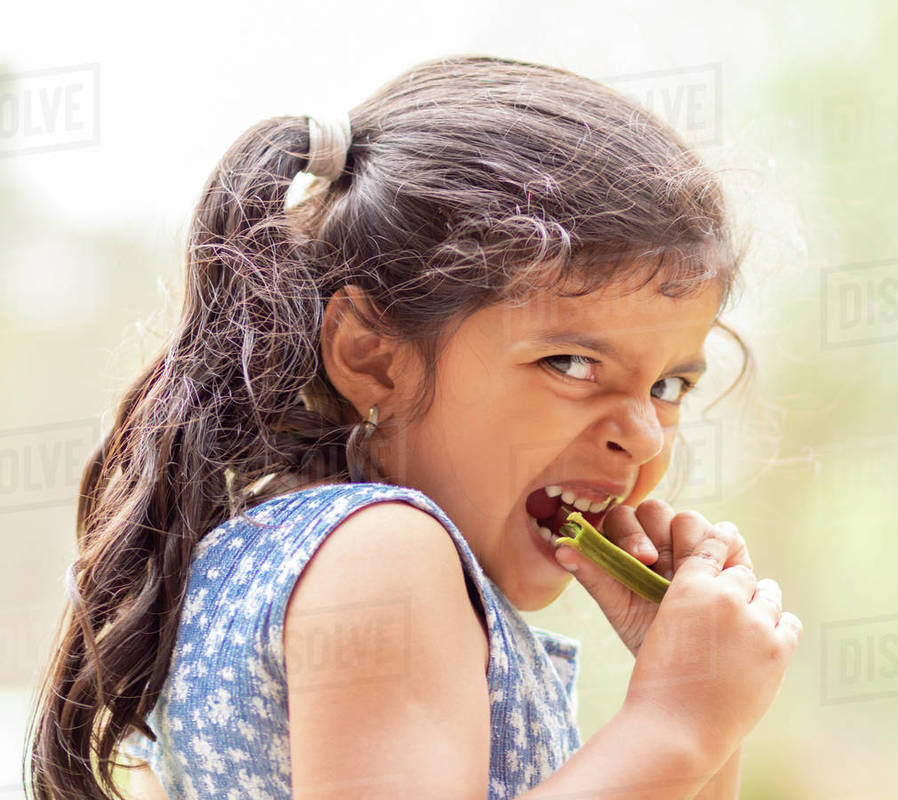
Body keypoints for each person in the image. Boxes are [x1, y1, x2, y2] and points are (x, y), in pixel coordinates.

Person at [24, 53, 802, 800]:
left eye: (667, 385)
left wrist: (701, 695)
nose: (644, 436)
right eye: (570, 363)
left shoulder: (309, 550)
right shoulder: (383, 555)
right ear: (374, 357)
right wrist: (674, 724)